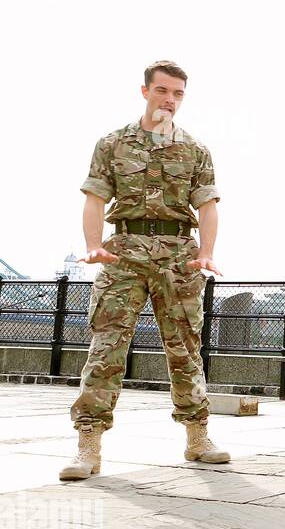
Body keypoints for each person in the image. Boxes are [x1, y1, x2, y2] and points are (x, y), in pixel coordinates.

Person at [64, 61, 227, 480]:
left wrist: (207, 252)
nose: (169, 100)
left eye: (177, 94)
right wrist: (93, 245)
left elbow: (207, 205)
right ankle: (88, 447)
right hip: (125, 254)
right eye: (163, 91)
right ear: (145, 91)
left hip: (178, 256)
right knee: (106, 349)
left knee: (185, 349)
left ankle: (197, 438)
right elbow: (95, 197)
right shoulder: (112, 144)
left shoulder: (195, 149)